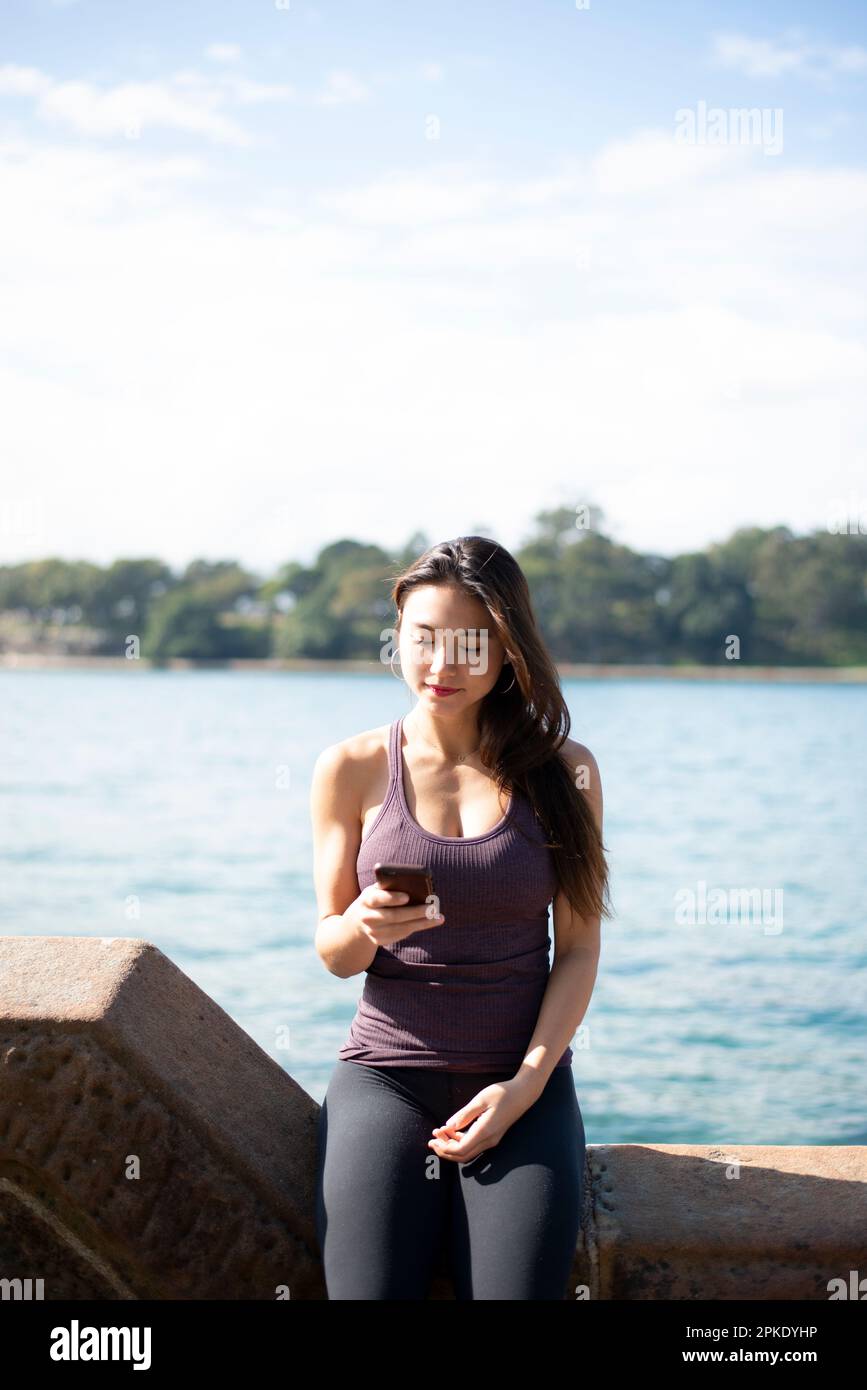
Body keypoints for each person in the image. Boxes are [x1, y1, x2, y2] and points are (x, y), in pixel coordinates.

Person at [310, 535, 612, 1300]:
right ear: (397, 639)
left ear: (509, 650)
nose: (441, 665)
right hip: (386, 1079)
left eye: (470, 643)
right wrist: (364, 925)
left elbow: (576, 949)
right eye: (423, 639)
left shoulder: (565, 773)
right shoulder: (349, 767)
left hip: (523, 1082)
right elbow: (333, 952)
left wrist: (525, 1084)